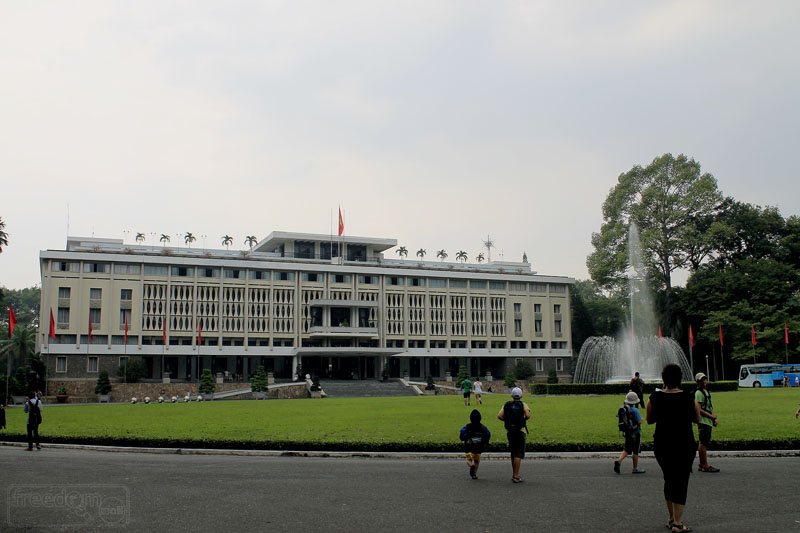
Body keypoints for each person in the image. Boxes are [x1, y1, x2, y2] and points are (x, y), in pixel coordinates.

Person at [646, 364, 700, 533]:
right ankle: (678, 522)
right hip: (684, 443)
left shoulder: (654, 397)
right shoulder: (689, 397)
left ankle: (671, 518)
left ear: (663, 379)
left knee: (669, 478)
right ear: (680, 378)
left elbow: (649, 420)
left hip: (663, 444)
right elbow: (697, 419)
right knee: (681, 480)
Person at [497, 386, 531, 483]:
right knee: (519, 454)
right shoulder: (523, 404)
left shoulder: (507, 405)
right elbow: (528, 415)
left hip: (510, 431)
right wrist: (522, 421)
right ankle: (516, 476)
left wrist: (507, 420)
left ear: (512, 395)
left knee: (513, 452)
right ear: (521, 396)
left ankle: (514, 473)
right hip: (520, 431)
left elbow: (499, 416)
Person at [614, 391, 645, 474]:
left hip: (627, 432)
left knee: (627, 449)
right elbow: (639, 421)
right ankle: (635, 467)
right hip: (635, 433)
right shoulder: (634, 410)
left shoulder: (623, 409)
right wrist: (642, 420)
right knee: (635, 450)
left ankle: (619, 461)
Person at [694, 372, 719, 473]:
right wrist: (711, 416)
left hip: (707, 421)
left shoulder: (705, 391)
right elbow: (699, 409)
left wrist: (713, 420)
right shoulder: (699, 393)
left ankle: (702, 464)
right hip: (703, 421)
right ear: (698, 381)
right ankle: (704, 464)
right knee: (703, 443)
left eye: (704, 379)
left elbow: (707, 407)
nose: (704, 381)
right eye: (701, 380)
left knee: (704, 443)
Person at [460, 409, 491, 479]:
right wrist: (486, 442)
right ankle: (474, 474)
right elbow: (488, 434)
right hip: (479, 447)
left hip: (469, 446)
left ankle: (471, 465)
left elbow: (462, 432)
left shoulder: (467, 427)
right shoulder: (483, 428)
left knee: (469, 459)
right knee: (477, 461)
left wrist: (462, 438)